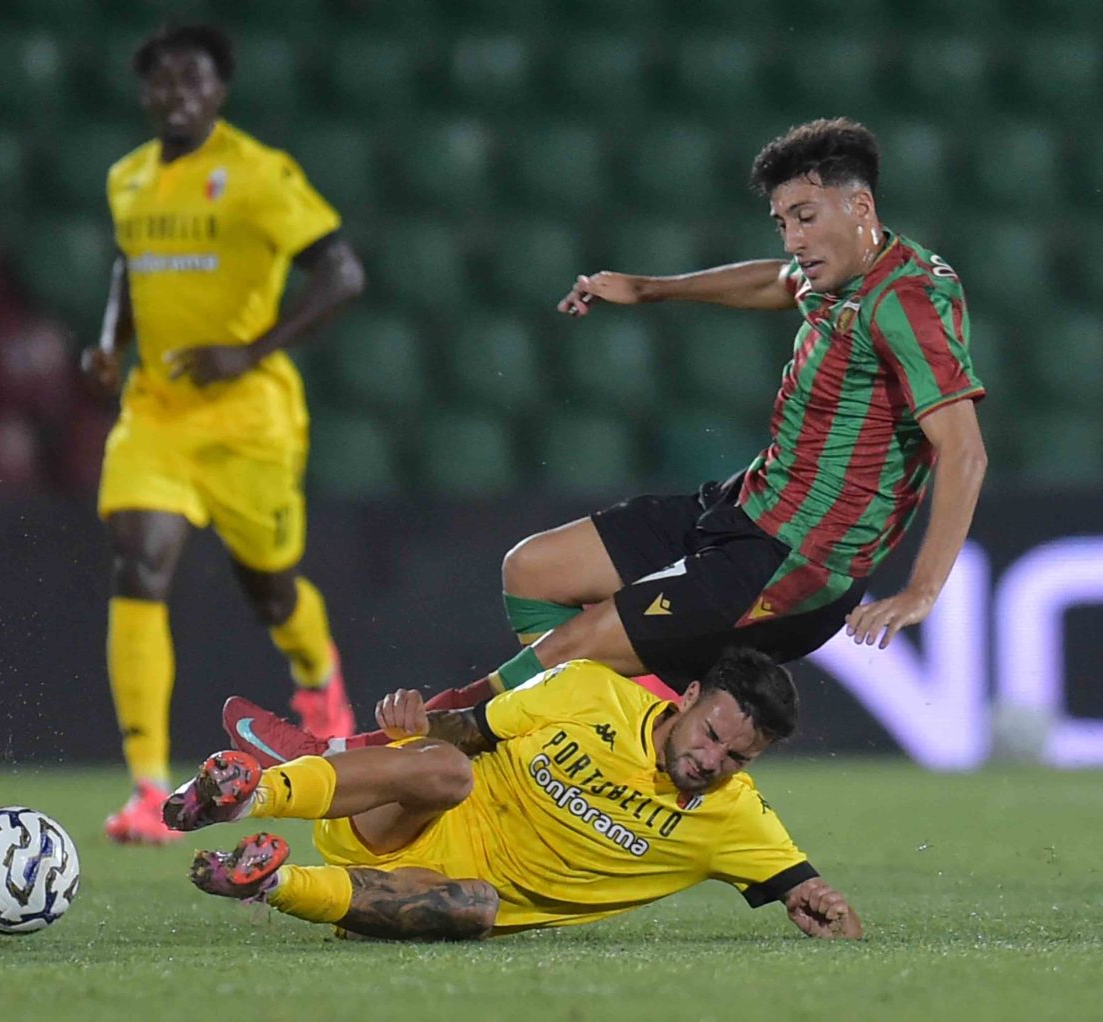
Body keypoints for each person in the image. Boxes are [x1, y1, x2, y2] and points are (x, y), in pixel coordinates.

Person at [223, 116, 987, 766]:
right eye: (783, 220)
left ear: (860, 206)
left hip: (794, 562)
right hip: (746, 508)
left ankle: (371, 753)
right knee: (535, 569)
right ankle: (594, 737)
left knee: (573, 646)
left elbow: (964, 449)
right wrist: (653, 289)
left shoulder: (907, 301)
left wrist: (921, 590)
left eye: (806, 216)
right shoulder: (835, 272)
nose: (794, 237)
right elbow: (776, 282)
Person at [78, 23, 364, 844]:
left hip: (250, 423)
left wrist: (250, 350)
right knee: (138, 562)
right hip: (157, 414)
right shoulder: (127, 179)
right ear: (147, 94)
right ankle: (145, 786)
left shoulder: (258, 175)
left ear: (220, 91)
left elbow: (343, 273)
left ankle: (317, 674)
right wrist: (110, 346)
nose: (180, 96)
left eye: (196, 82)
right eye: (165, 84)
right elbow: (127, 268)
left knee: (269, 588)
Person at [167, 648, 863, 941]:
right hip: (392, 823)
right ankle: (247, 797)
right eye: (711, 734)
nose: (713, 761)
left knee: (479, 906)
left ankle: (266, 880)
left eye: (737, 758)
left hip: (416, 894)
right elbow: (464, 731)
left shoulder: (735, 819)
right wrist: (408, 724)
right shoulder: (589, 689)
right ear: (684, 698)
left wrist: (825, 909)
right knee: (449, 769)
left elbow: (813, 893)